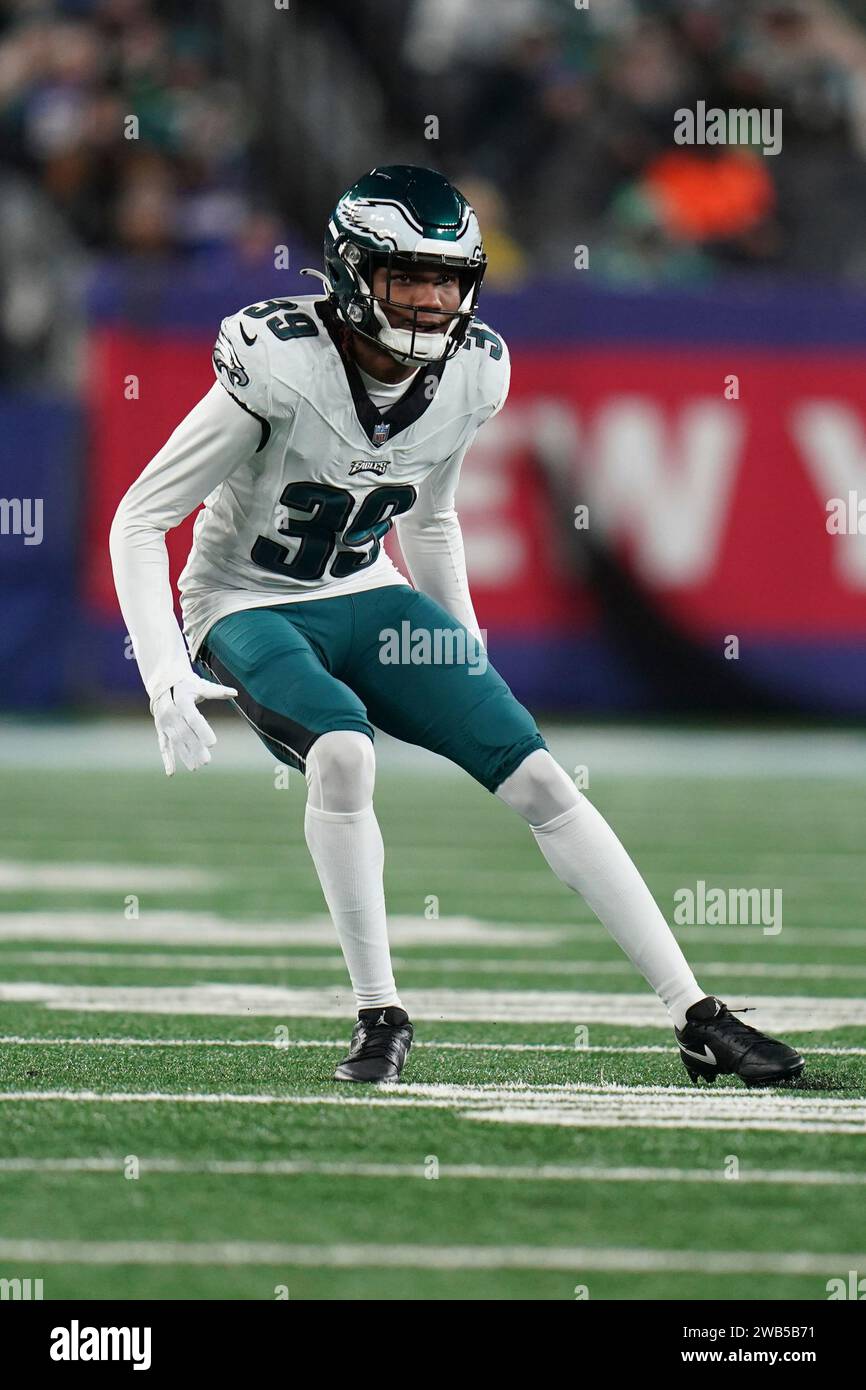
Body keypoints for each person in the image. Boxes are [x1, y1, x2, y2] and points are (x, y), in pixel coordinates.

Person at [110, 164, 804, 1088]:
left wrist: (460, 636)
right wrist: (162, 670)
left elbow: (430, 515)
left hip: (365, 588)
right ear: (355, 273)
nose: (434, 299)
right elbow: (141, 517)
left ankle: (695, 1011)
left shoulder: (475, 370)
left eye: (448, 279)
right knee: (345, 753)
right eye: (409, 276)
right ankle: (379, 1011)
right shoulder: (278, 359)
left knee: (541, 778)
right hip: (245, 600)